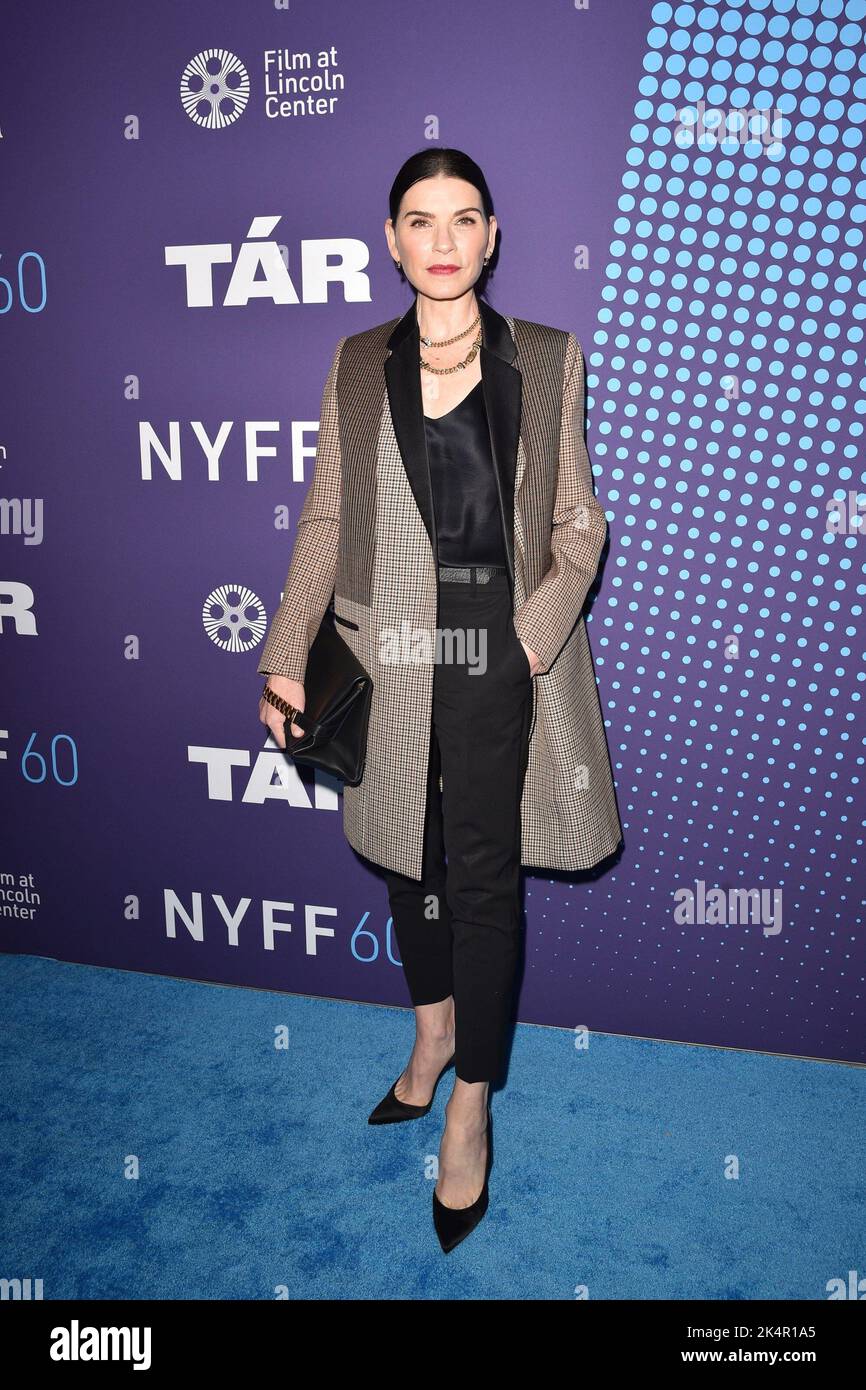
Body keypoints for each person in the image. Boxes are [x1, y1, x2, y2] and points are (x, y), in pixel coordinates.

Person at [258, 147, 623, 1253]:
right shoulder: (357, 359)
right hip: (387, 652)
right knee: (404, 859)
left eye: (464, 218)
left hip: (498, 658)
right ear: (391, 240)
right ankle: (428, 1042)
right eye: (421, 220)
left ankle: (471, 1101)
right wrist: (285, 648)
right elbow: (326, 517)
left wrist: (522, 642)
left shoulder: (545, 358)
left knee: (481, 877)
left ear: (493, 234)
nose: (444, 239)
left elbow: (578, 527)